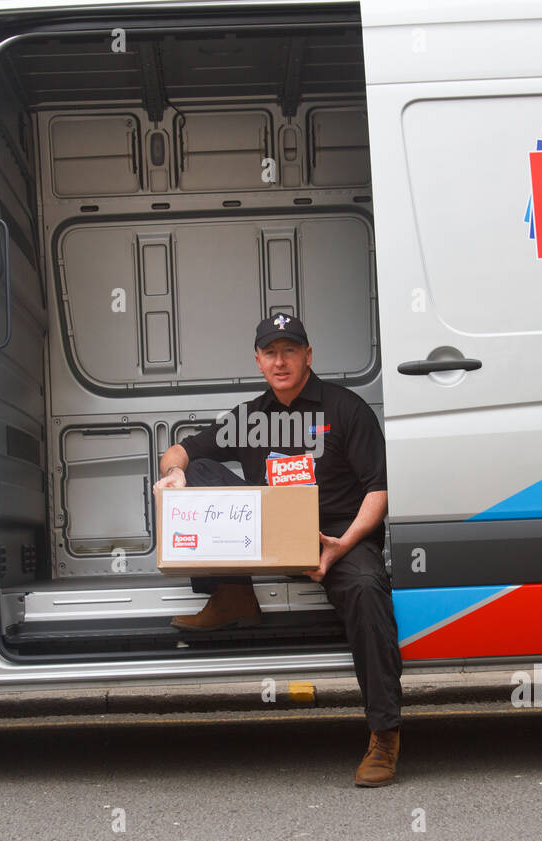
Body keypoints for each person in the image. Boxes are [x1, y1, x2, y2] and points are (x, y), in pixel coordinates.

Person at [151, 311, 403, 787]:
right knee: (199, 473)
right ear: (259, 360)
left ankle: (384, 736)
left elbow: (378, 489)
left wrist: (342, 544)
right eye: (271, 352)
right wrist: (175, 472)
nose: (280, 361)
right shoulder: (251, 418)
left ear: (308, 356)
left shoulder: (346, 409)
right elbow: (184, 449)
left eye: (290, 350)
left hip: (335, 541)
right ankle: (232, 594)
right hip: (270, 538)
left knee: (370, 590)